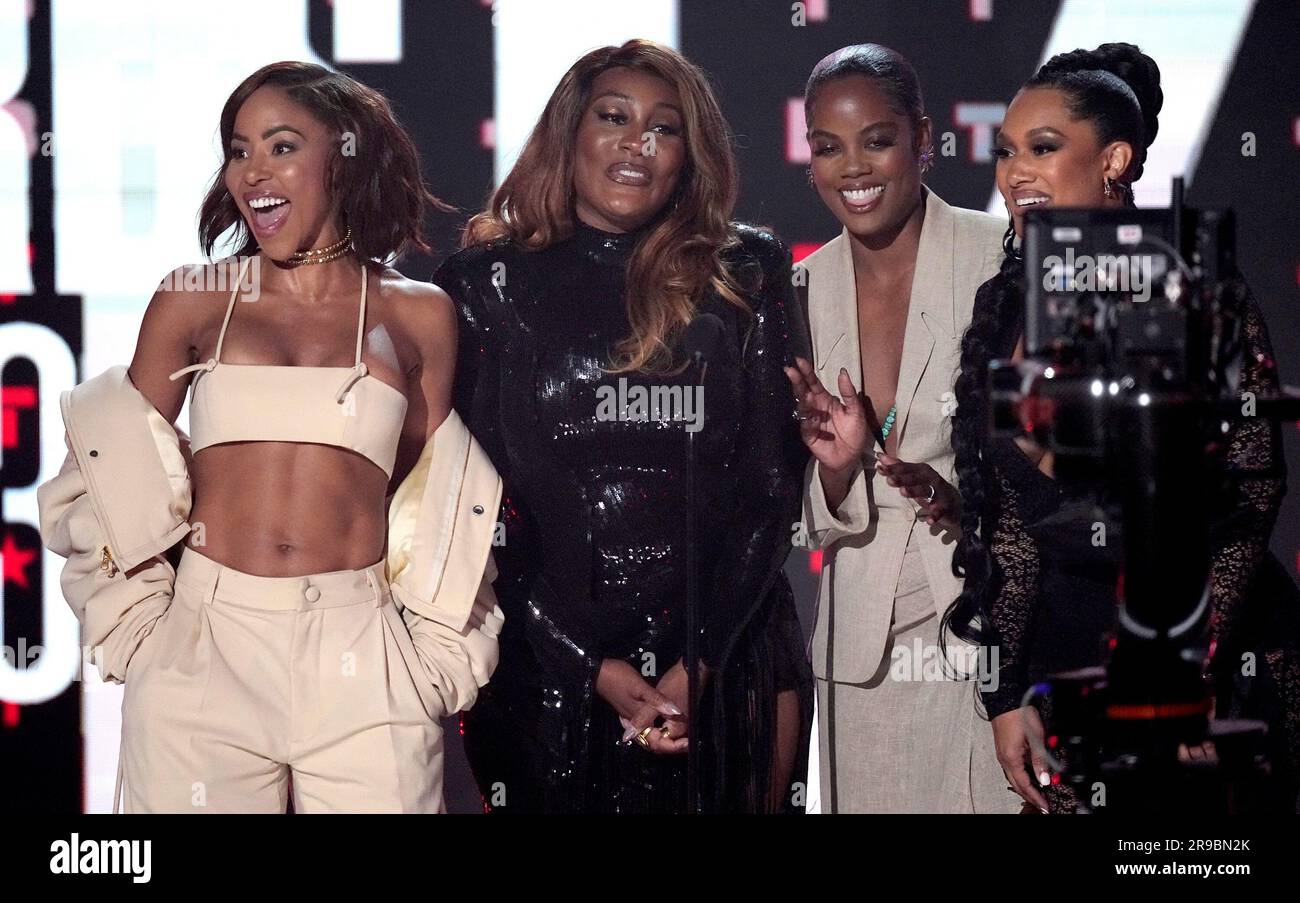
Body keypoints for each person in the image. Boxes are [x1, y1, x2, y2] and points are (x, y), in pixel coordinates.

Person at [37, 61, 503, 813]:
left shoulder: (420, 314)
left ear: (345, 158)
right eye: (238, 148)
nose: (253, 170)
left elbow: (433, 505)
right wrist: (148, 637)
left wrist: (426, 665)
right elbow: (108, 469)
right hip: (203, 645)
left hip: (362, 649)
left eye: (281, 146)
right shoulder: (194, 299)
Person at [436, 39, 813, 813]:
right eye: (614, 117)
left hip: (724, 659)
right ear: (571, 134)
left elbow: (770, 487)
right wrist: (588, 663)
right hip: (540, 672)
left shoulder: (746, 271)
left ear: (688, 153)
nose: (637, 142)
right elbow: (470, 510)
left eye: (664, 128)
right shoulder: (483, 284)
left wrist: (697, 666)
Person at [943, 42, 1299, 813]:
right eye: (1005, 153)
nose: (1014, 174)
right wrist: (1004, 695)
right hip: (1064, 676)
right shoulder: (1002, 306)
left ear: (1115, 159)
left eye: (1042, 148)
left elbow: (1251, 490)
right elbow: (1009, 529)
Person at [784, 43, 1020, 813]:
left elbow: (1060, 468)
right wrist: (836, 467)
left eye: (876, 140)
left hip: (992, 626)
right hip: (862, 652)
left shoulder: (1001, 255)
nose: (852, 168)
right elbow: (799, 510)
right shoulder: (799, 290)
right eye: (828, 147)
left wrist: (965, 501)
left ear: (923, 139)